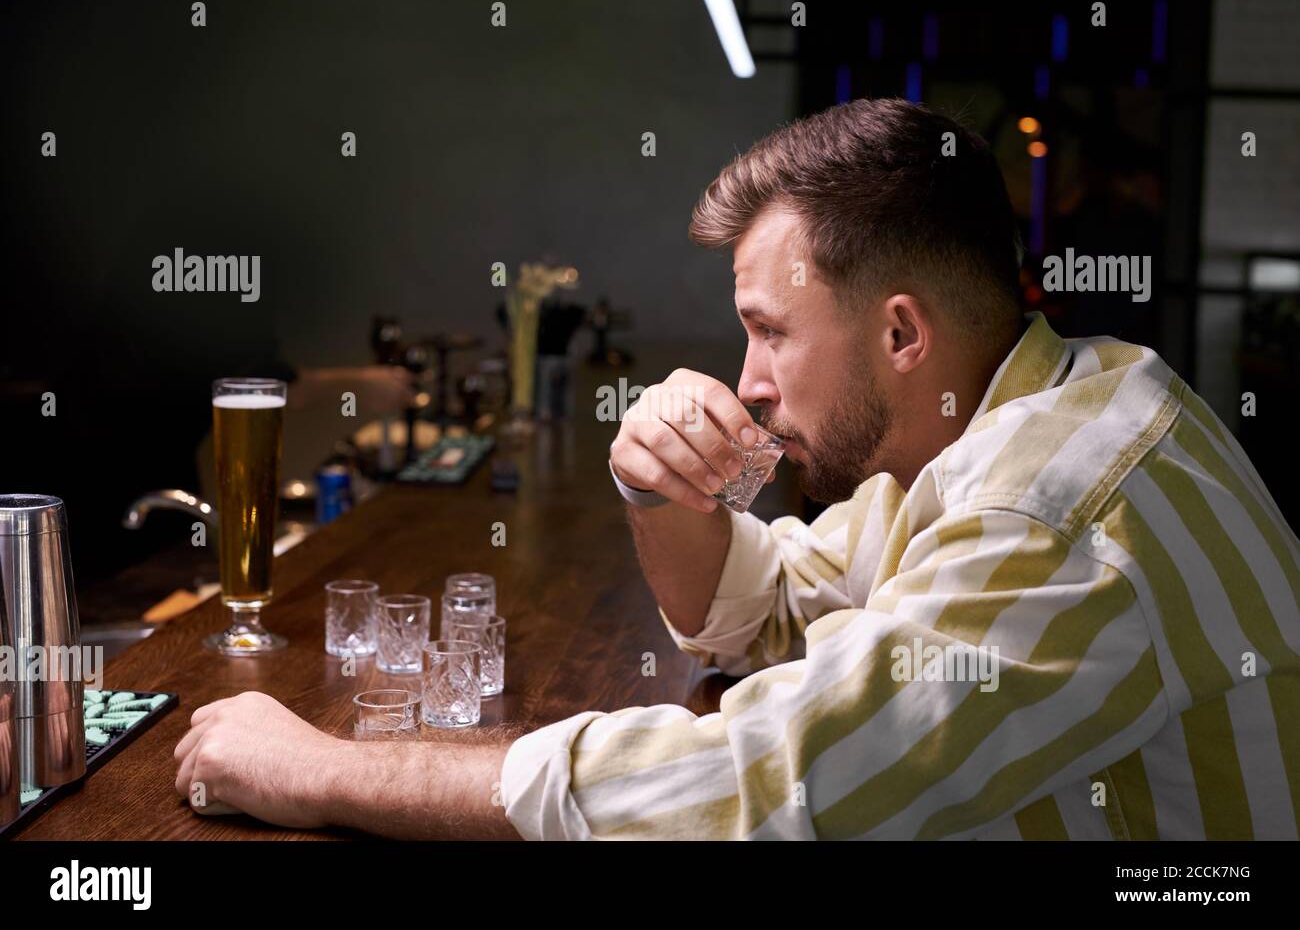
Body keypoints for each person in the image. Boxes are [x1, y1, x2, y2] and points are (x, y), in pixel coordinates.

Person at [174, 99, 1300, 840]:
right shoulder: (999, 421)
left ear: (900, 335)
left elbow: (774, 780)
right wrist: (658, 493)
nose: (748, 378)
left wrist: (324, 770)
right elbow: (763, 612)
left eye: (770, 330)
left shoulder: (1051, 502)